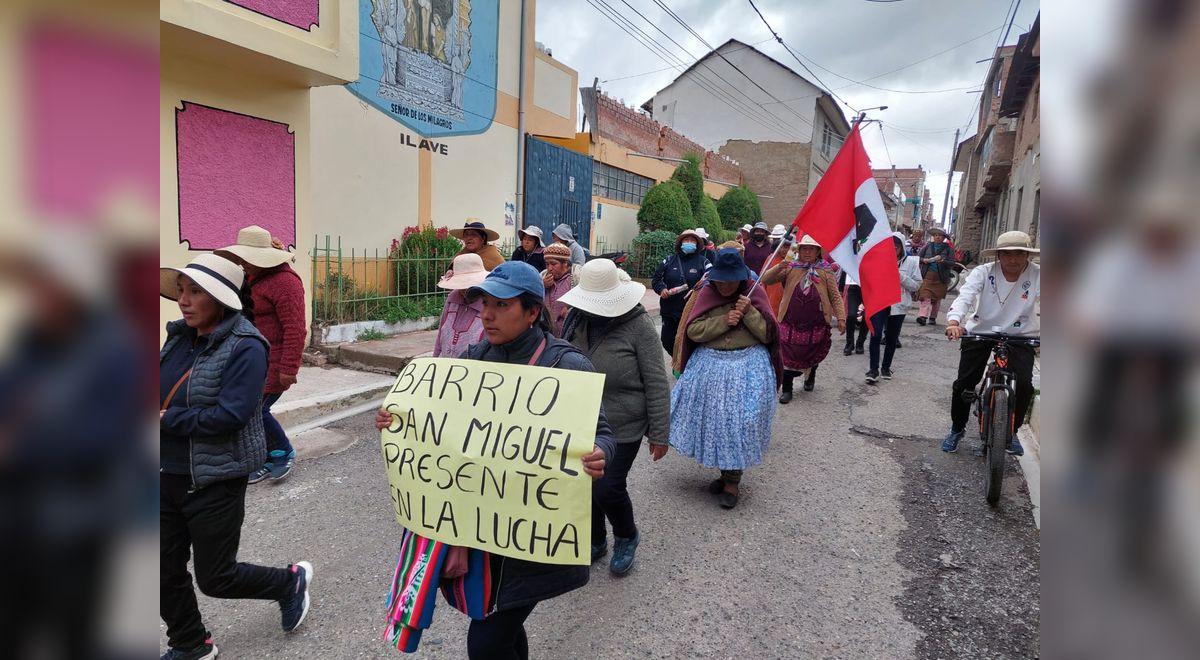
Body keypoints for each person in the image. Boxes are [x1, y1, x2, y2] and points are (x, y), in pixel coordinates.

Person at [375, 260, 614, 660]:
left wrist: (600, 454)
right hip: (483, 537)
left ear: (533, 312)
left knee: (485, 641)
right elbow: (442, 423)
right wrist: (398, 420)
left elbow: (604, 434)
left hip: (530, 542)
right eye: (485, 302)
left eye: (502, 305)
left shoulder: (567, 366)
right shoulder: (473, 360)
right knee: (501, 626)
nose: (487, 313)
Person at [159, 254, 313, 660]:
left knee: (216, 577)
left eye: (195, 292)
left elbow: (233, 415)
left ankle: (288, 583)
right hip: (162, 473)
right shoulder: (177, 337)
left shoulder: (246, 346)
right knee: (157, 568)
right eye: (181, 291)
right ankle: (190, 643)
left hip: (214, 478)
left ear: (221, 299)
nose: (184, 301)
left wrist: (167, 419)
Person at [559, 260, 670, 575]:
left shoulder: (639, 326)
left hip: (624, 424)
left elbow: (657, 382)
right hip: (582, 421)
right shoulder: (576, 320)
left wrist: (660, 434)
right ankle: (595, 539)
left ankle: (626, 536)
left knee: (607, 486)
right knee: (584, 483)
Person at [670, 248, 782, 509]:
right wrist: (723, 320)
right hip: (712, 366)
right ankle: (725, 473)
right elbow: (693, 331)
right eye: (722, 280)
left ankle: (732, 481)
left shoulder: (754, 293)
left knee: (738, 423)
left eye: (732, 280)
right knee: (717, 423)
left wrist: (749, 312)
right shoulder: (706, 293)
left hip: (747, 368)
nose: (726, 285)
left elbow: (768, 335)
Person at [215, 225, 306, 484]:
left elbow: (295, 328)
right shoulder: (252, 279)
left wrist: (289, 368)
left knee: (257, 411)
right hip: (253, 361)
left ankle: (282, 452)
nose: (242, 263)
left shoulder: (286, 283)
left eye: (246, 258)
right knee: (248, 411)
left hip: (275, 362)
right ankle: (264, 456)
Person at [942, 231, 1041, 456]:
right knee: (965, 383)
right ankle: (957, 429)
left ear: (1028, 255)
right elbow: (965, 296)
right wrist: (955, 321)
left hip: (1022, 335)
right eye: (1007, 254)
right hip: (982, 331)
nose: (1013, 259)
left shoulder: (1038, 274)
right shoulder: (983, 273)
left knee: (1025, 384)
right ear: (998, 255)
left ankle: (1012, 431)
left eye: (1019, 253)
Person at [761, 235, 845, 401]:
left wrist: (841, 318)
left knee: (811, 350)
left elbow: (835, 295)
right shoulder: (791, 267)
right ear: (798, 250)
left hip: (816, 321)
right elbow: (766, 279)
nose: (807, 252)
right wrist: (779, 267)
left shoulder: (825, 270)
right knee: (786, 354)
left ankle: (811, 373)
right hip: (790, 320)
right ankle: (787, 388)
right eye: (804, 248)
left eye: (811, 249)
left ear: (817, 252)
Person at [865, 232, 923, 384]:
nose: (892, 250)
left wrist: (899, 276)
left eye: (895, 247)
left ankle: (885, 367)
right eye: (889, 247)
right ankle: (873, 369)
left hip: (898, 305)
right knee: (875, 335)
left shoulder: (911, 263)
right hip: (880, 302)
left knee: (891, 338)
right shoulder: (878, 260)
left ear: (902, 248)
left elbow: (916, 285)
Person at [651, 229, 711, 355]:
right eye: (686, 240)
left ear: (697, 244)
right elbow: (656, 279)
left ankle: (684, 367)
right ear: (680, 243)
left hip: (692, 312)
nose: (689, 242)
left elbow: (712, 280)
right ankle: (677, 360)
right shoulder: (668, 260)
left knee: (690, 342)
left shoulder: (704, 262)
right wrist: (662, 289)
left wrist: (698, 290)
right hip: (669, 311)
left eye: (692, 240)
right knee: (667, 341)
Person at [432, 253, 490, 358]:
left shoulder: (488, 306)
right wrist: (434, 360)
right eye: (461, 285)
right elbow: (441, 333)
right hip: (443, 365)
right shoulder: (452, 299)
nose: (464, 290)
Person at [915, 227, 956, 325]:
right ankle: (922, 316)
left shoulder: (949, 249)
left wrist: (943, 261)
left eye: (940, 236)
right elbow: (918, 257)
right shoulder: (927, 246)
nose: (937, 237)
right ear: (933, 237)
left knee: (936, 299)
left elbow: (952, 262)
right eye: (936, 235)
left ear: (943, 238)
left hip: (941, 277)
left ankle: (933, 317)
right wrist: (923, 260)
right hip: (927, 275)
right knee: (925, 297)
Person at [540, 243, 577, 335]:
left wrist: (571, 311)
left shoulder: (576, 278)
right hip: (546, 335)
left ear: (565, 263)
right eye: (547, 264)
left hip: (568, 336)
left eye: (553, 264)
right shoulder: (542, 277)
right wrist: (541, 285)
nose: (549, 268)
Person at [841, 271, 868, 355]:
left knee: (866, 317)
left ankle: (860, 343)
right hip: (854, 288)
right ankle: (849, 343)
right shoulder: (854, 257)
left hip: (869, 289)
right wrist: (841, 286)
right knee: (851, 315)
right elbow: (846, 265)